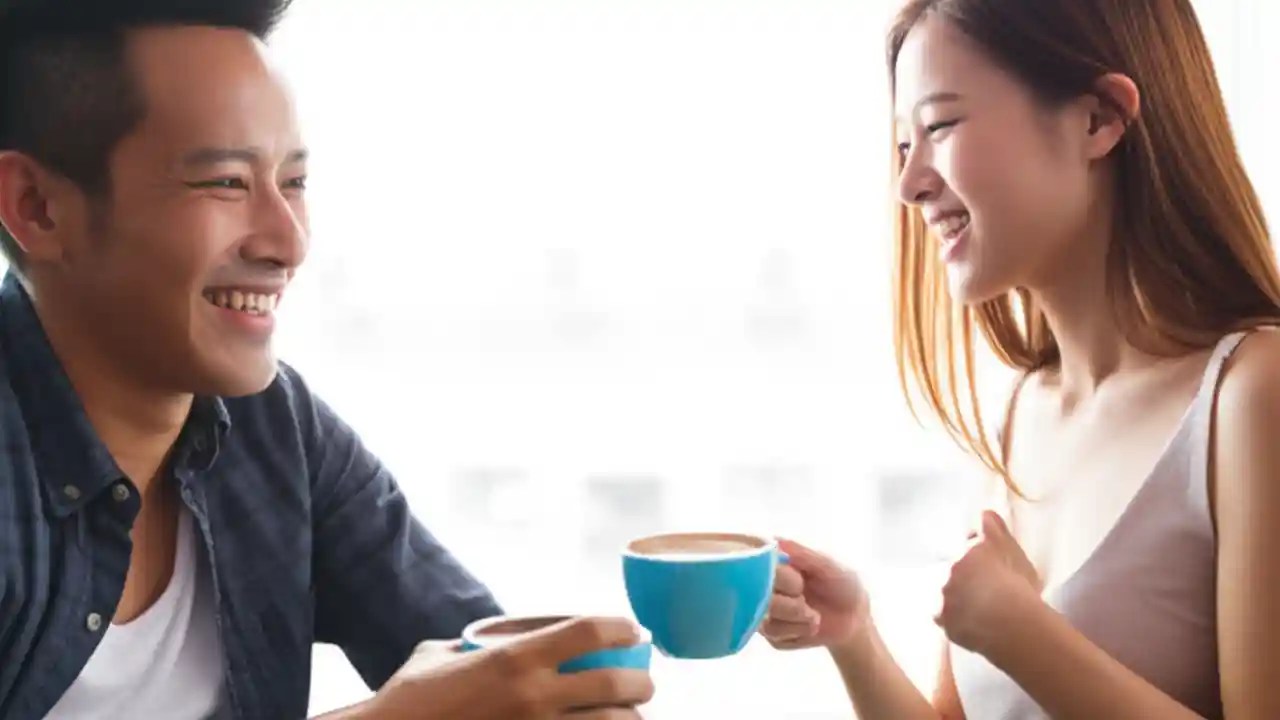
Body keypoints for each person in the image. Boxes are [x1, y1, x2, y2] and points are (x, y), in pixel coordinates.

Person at [0, 1, 653, 718]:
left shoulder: (273, 430)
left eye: (295, 183)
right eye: (224, 182)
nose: (287, 241)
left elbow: (486, 670)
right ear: (37, 208)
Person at [761, 0, 1280, 718]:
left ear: (1098, 119)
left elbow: (1014, 635)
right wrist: (852, 634)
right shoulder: (1018, 412)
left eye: (939, 126)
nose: (907, 186)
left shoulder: (1253, 395)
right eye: (903, 146)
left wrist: (1019, 629)